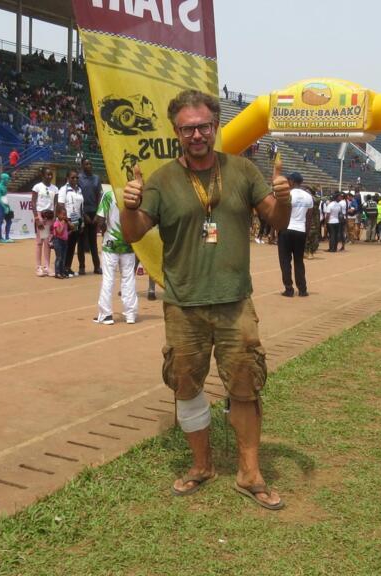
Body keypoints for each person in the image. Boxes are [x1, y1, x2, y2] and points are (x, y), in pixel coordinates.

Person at [120, 89, 288, 510]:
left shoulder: (243, 170)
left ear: (215, 126)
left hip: (234, 302)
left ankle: (250, 472)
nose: (197, 134)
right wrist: (129, 206)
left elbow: (276, 220)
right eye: (187, 128)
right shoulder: (160, 179)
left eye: (204, 126)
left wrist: (283, 199)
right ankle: (201, 465)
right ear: (176, 131)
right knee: (186, 386)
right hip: (183, 304)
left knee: (246, 384)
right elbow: (134, 232)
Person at [93, 183, 139, 324]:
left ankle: (106, 314)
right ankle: (130, 314)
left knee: (108, 279)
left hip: (110, 245)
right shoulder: (133, 196)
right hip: (128, 244)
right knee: (128, 278)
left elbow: (99, 220)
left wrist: (102, 227)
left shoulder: (109, 195)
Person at [278, 173, 312, 297]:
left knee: (285, 261)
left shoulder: (287, 195)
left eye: (288, 181)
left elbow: (281, 213)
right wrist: (306, 234)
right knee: (299, 261)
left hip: (286, 229)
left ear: (292, 181)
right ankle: (302, 289)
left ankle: (289, 289)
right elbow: (309, 218)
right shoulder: (308, 197)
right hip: (300, 230)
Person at [78, 158, 103, 275]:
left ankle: (97, 266)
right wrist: (83, 214)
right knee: (81, 242)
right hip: (83, 213)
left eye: (90, 164)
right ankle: (82, 267)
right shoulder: (79, 179)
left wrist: (98, 213)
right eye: (86, 164)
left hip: (94, 213)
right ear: (82, 166)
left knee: (93, 242)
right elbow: (77, 198)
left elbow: (99, 197)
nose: (89, 165)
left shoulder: (97, 179)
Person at [61, 169, 85, 276]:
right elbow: (61, 206)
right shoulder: (64, 189)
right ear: (67, 178)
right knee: (65, 245)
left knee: (72, 245)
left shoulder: (79, 189)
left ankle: (68, 267)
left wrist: (82, 222)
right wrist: (67, 221)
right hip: (68, 220)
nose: (75, 179)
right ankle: (62, 268)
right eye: (72, 177)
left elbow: (81, 207)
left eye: (77, 177)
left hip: (77, 220)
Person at [50, 207, 70, 279]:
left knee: (63, 258)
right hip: (58, 241)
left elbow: (71, 228)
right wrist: (62, 223)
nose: (64, 216)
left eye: (65, 215)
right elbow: (59, 232)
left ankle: (62, 272)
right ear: (58, 215)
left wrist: (68, 222)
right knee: (59, 257)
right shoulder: (56, 223)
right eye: (63, 215)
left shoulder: (65, 222)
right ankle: (57, 272)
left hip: (64, 241)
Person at [0, 172, 14, 243]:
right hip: (0, 206)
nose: (8, 180)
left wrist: (8, 207)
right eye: (7, 179)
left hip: (5, 205)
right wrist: (4, 207)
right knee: (0, 222)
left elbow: (4, 198)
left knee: (9, 221)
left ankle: (7, 237)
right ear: (3, 179)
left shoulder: (4, 186)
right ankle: (0, 238)